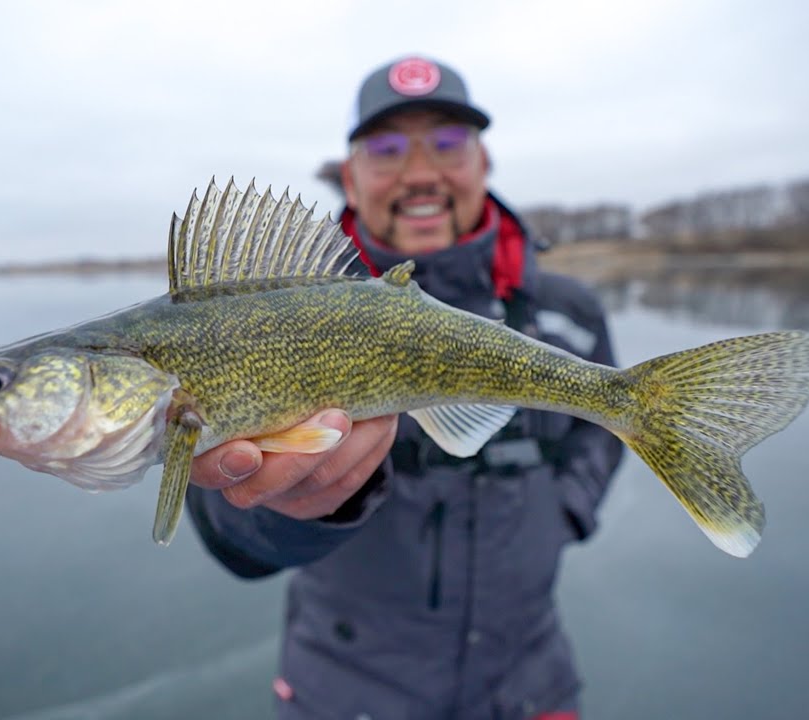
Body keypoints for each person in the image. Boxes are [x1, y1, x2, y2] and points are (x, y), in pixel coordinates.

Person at [185, 55, 624, 719]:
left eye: (448, 143)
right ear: (351, 179)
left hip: (531, 684)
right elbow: (236, 542)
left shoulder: (568, 310)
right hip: (345, 692)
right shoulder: (271, 312)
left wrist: (565, 513)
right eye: (387, 149)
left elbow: (604, 434)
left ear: (483, 163)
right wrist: (287, 505)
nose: (421, 173)